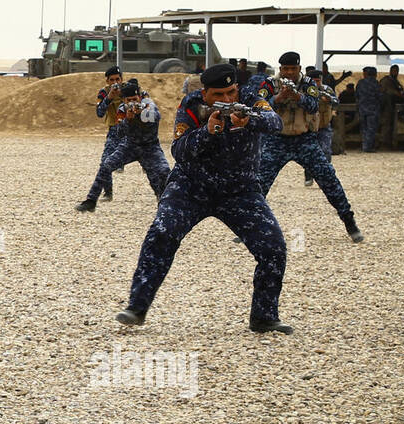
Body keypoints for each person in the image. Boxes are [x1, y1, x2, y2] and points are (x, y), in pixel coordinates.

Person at [115, 63, 291, 333]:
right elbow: (180, 150)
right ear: (206, 93)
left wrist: (249, 120)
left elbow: (275, 123)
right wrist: (207, 132)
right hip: (190, 187)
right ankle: (136, 307)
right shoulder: (192, 104)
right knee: (161, 235)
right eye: (221, 94)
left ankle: (264, 317)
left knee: (273, 248)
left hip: (239, 190)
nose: (230, 99)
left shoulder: (250, 100)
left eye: (232, 91)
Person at [254, 53, 362, 241]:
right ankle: (250, 227)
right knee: (259, 185)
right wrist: (278, 99)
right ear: (280, 69)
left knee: (329, 181)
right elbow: (259, 107)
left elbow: (313, 106)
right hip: (276, 141)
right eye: (285, 69)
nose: (289, 72)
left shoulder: (309, 84)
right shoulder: (270, 84)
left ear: (299, 69)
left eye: (293, 69)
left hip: (305, 140)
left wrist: (297, 96)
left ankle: (349, 222)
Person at [75, 79, 169, 211]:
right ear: (124, 100)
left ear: (140, 97)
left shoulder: (149, 106)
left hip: (150, 147)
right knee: (106, 165)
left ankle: (165, 203)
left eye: (135, 99)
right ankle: (91, 201)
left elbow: (154, 121)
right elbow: (119, 132)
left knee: (163, 172)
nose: (133, 102)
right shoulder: (122, 110)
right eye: (129, 100)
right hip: (129, 145)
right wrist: (128, 120)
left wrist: (141, 115)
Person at [86, 66, 125, 202]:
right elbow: (99, 113)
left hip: (131, 131)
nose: (115, 82)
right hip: (114, 131)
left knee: (153, 165)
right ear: (107, 81)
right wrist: (109, 98)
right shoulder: (103, 93)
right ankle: (108, 193)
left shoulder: (129, 89)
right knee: (105, 162)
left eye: (117, 79)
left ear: (121, 79)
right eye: (112, 80)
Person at [379, 65, 404, 149]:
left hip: (391, 106)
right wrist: (401, 95)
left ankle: (389, 142)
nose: (395, 72)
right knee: (386, 124)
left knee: (391, 125)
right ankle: (384, 143)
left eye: (397, 71)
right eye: (394, 70)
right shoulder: (386, 80)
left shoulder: (395, 81)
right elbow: (389, 91)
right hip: (385, 106)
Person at [355, 66, 381, 151]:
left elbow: (356, 95)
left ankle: (364, 145)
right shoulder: (376, 83)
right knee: (371, 129)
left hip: (362, 109)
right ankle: (368, 147)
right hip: (373, 110)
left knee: (364, 128)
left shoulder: (360, 83)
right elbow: (379, 96)